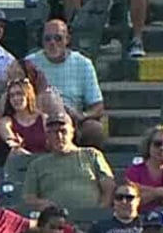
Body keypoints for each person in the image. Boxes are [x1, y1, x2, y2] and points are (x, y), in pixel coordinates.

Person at [23, 19, 106, 148]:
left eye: (58, 38)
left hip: (73, 117)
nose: (52, 43)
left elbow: (98, 106)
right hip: (41, 115)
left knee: (94, 130)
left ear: (67, 39)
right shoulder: (30, 62)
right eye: (47, 39)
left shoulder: (83, 63)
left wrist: (82, 116)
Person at [23, 113, 114, 212]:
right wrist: (43, 204)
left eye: (63, 131)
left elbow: (109, 187)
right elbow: (29, 198)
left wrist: (100, 211)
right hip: (55, 221)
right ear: (47, 136)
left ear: (72, 132)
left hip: (91, 219)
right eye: (53, 132)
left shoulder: (91, 154)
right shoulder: (37, 165)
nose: (59, 136)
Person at [125, 125, 163, 208]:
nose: (162, 148)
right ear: (148, 145)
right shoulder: (134, 171)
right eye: (157, 144)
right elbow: (132, 201)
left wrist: (145, 190)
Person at [0, 76, 47, 158]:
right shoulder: (6, 122)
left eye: (19, 94)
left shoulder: (43, 118)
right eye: (12, 96)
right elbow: (10, 140)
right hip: (20, 163)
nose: (16, 98)